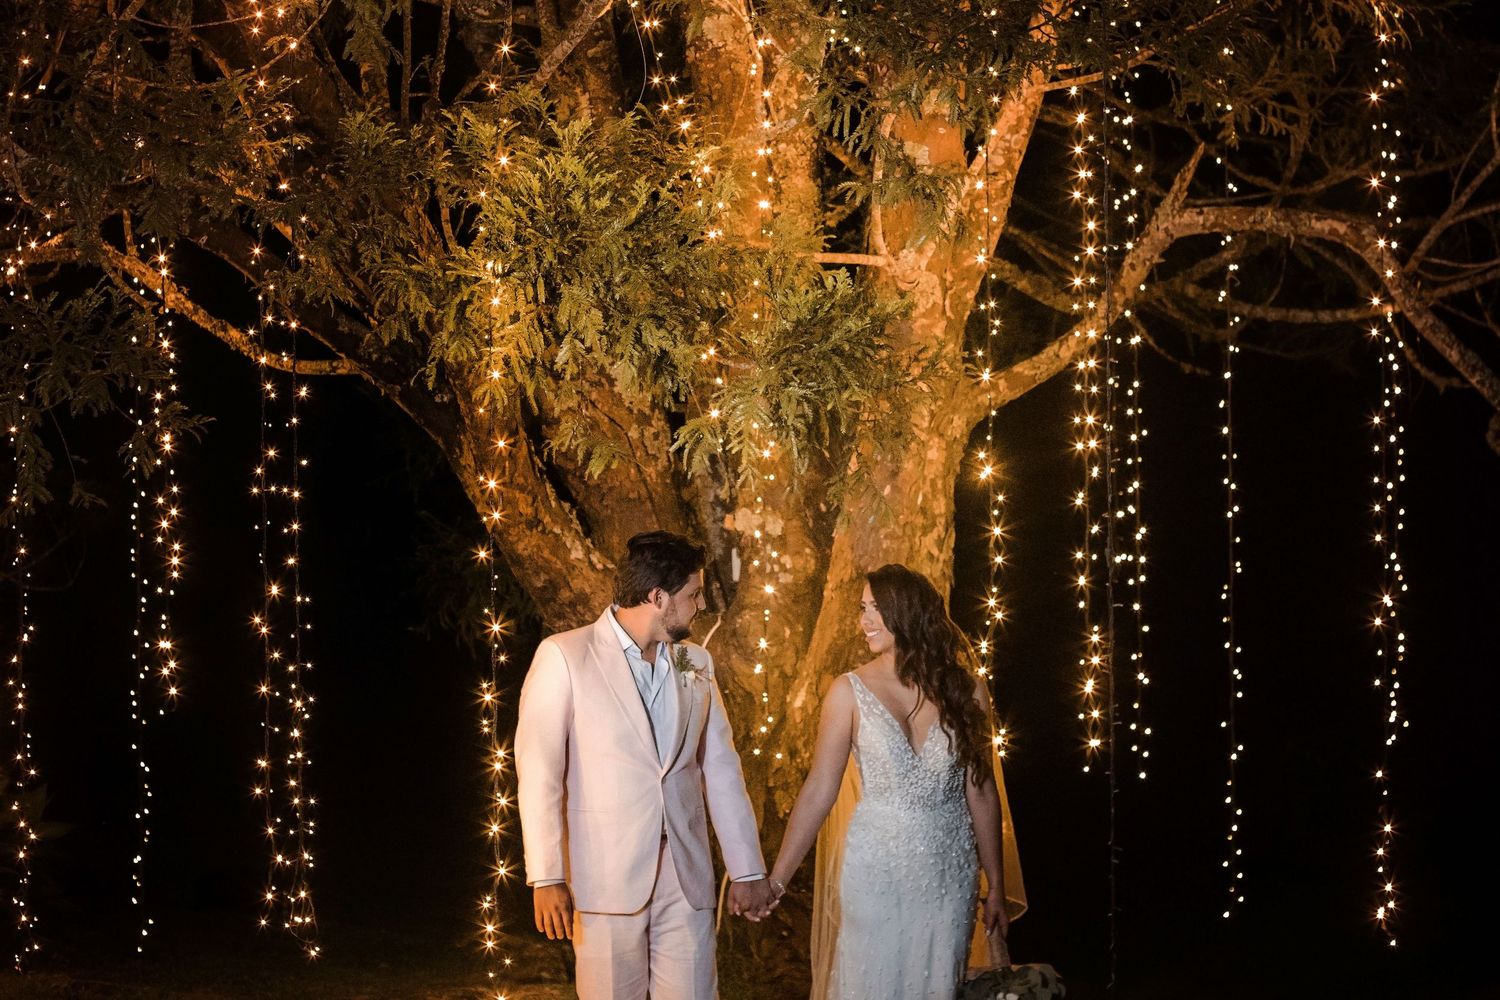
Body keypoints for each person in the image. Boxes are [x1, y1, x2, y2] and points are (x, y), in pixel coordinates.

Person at [516, 530, 777, 999]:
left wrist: (748, 871)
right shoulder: (564, 655)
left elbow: (721, 770)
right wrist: (548, 876)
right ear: (658, 597)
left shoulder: (696, 662)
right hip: (605, 880)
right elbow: (539, 776)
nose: (700, 606)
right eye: (693, 595)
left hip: (686, 876)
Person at [769, 564, 1012, 1000]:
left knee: (938, 984)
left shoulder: (968, 690)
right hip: (875, 871)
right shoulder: (848, 690)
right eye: (863, 609)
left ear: (909, 613)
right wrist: (778, 881)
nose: (864, 621)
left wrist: (995, 884)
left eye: (876, 609)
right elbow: (819, 790)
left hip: (949, 875)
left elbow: (981, 788)